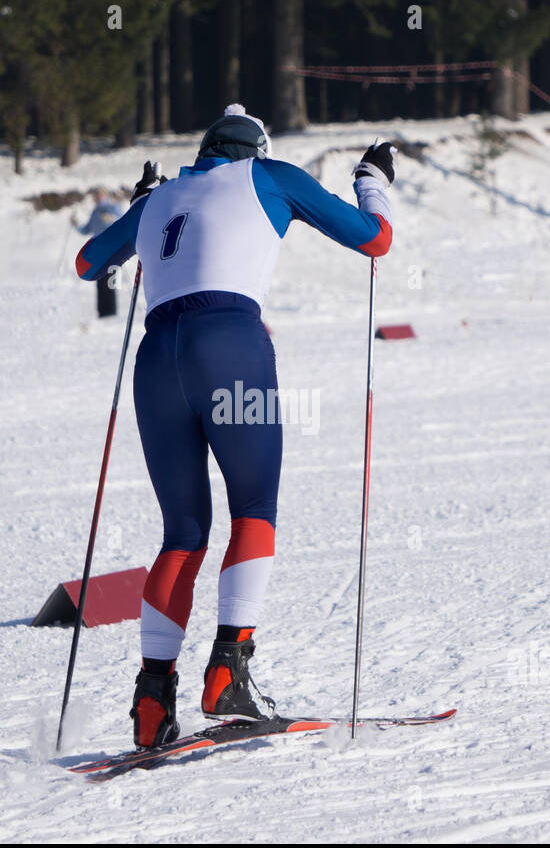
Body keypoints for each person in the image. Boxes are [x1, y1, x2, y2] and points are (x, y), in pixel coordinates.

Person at [74, 104, 395, 747]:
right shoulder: (269, 176)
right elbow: (374, 239)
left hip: (155, 362)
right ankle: (228, 669)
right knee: (253, 508)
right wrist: (373, 180)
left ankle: (152, 699)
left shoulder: (162, 197)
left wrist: (143, 208)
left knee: (183, 533)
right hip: (231, 348)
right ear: (255, 148)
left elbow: (88, 264)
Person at [73, 189, 125, 317]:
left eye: (99, 195)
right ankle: (103, 311)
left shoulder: (113, 207)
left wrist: (112, 218)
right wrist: (75, 225)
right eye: (95, 196)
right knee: (100, 278)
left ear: (105, 195)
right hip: (98, 250)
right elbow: (86, 229)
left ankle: (112, 310)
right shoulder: (95, 211)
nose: (97, 198)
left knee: (111, 279)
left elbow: (122, 221)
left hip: (112, 248)